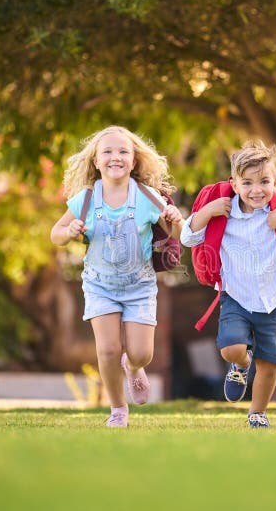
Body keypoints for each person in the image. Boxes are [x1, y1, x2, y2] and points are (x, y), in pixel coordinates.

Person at [180, 140, 276, 429]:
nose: (256, 190)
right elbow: (188, 237)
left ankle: (257, 413)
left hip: (273, 297)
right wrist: (208, 211)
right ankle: (240, 365)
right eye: (247, 183)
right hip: (235, 295)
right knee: (231, 349)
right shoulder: (223, 212)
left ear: (275, 182)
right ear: (234, 185)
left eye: (264, 181)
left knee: (270, 363)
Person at [50, 126, 183, 428]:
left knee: (141, 353)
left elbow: (180, 233)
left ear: (134, 161)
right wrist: (68, 232)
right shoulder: (85, 199)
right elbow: (55, 234)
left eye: (123, 151)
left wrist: (176, 220)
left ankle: (133, 367)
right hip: (100, 286)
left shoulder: (149, 197)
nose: (115, 157)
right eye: (107, 152)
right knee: (108, 349)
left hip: (139, 286)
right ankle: (118, 409)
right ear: (95, 161)